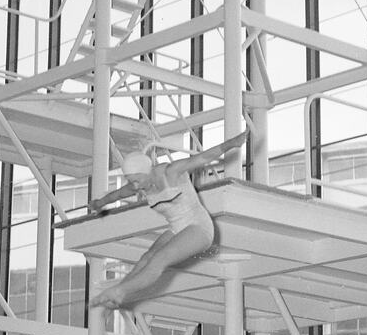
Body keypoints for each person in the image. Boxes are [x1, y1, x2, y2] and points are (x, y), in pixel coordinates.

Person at [87, 130, 247, 310]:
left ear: (147, 171)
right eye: (132, 181)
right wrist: (99, 203)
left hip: (199, 227)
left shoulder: (170, 172)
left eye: (138, 180)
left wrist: (231, 143)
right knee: (146, 258)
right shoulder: (136, 185)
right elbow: (116, 195)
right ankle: (120, 292)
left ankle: (120, 291)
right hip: (177, 227)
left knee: (160, 259)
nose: (136, 186)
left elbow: (202, 158)